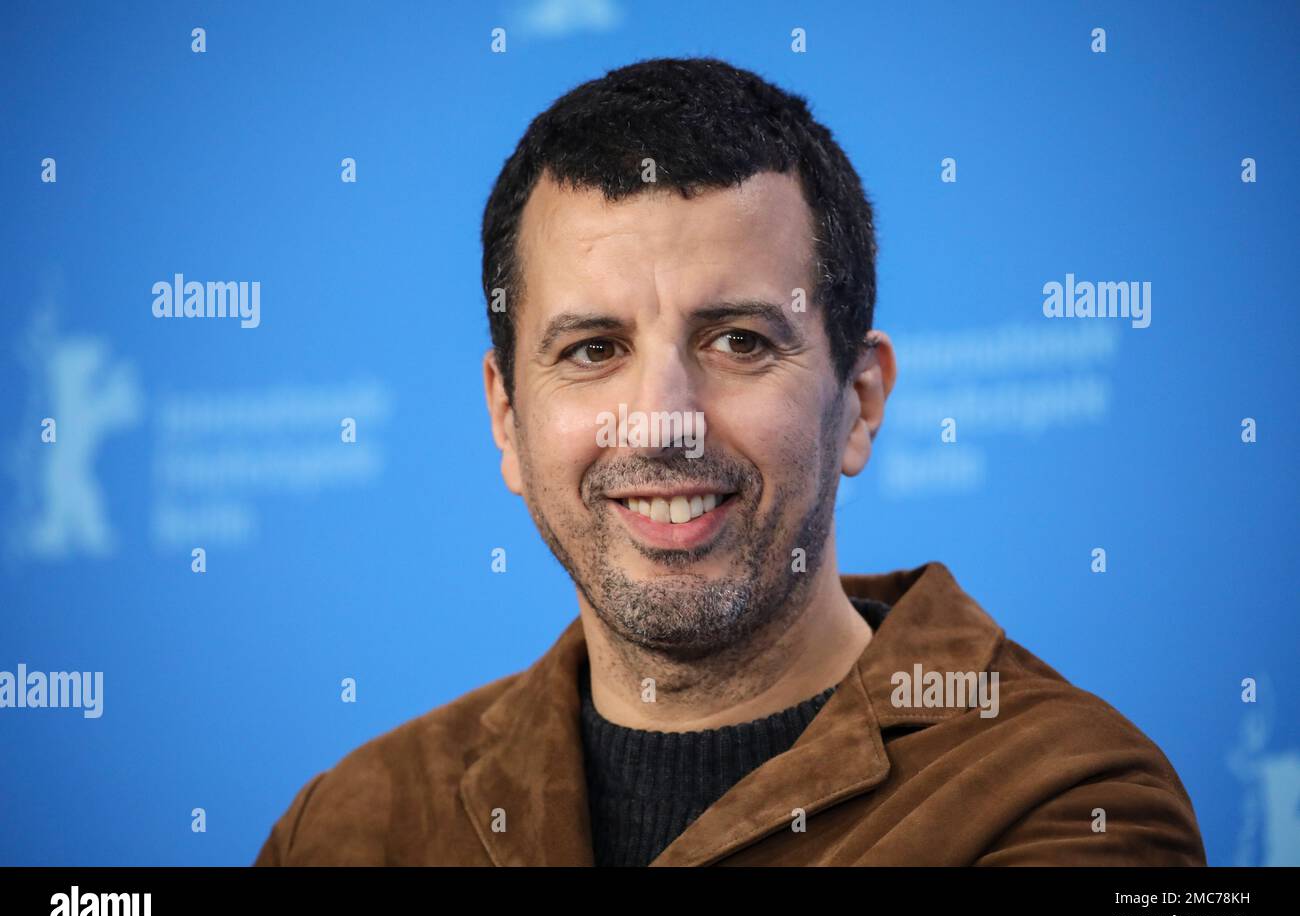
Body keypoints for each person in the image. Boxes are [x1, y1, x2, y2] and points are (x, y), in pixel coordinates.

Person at [254, 56, 1206, 866]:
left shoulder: (1067, 795)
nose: (663, 423)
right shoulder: (348, 828)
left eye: (740, 342)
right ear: (508, 418)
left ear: (860, 401)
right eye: (593, 350)